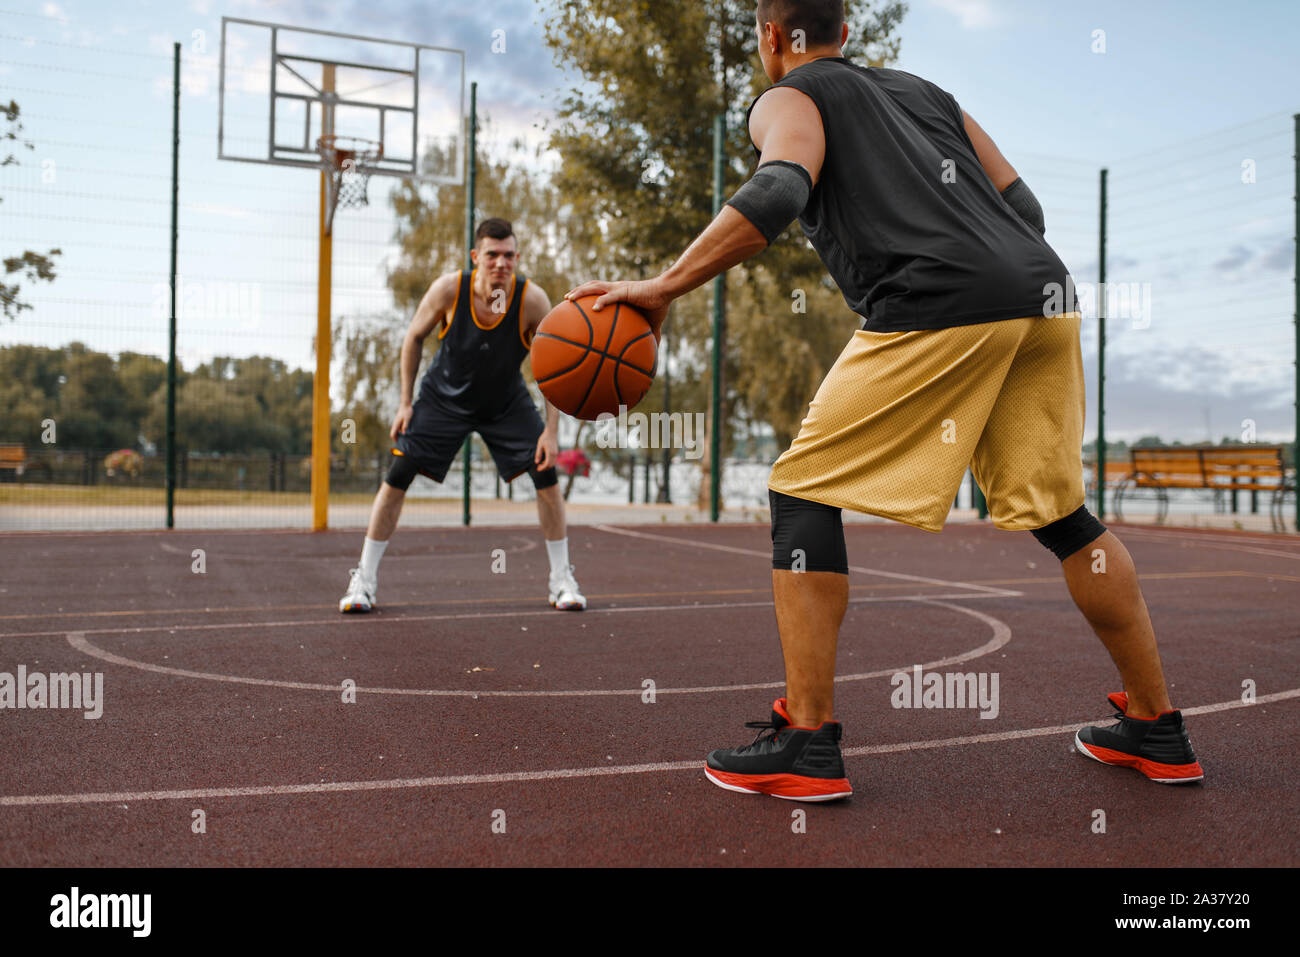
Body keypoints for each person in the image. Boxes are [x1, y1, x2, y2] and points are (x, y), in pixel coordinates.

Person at [566, 0, 1201, 801]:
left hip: (939, 300)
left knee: (799, 488)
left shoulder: (788, 97)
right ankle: (1157, 724)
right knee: (1062, 513)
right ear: (844, 31)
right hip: (1043, 292)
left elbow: (778, 189)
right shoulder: (930, 95)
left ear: (773, 38)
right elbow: (1026, 209)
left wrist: (661, 287)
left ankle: (807, 738)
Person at [341, 218, 586, 614]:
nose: (501, 263)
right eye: (492, 255)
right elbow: (413, 337)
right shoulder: (449, 289)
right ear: (476, 257)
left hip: (505, 402)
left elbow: (552, 369)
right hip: (443, 400)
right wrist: (406, 403)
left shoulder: (534, 301)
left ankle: (562, 580)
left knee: (545, 474)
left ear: (517, 258)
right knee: (399, 472)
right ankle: (363, 580)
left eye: (509, 255)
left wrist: (551, 432)